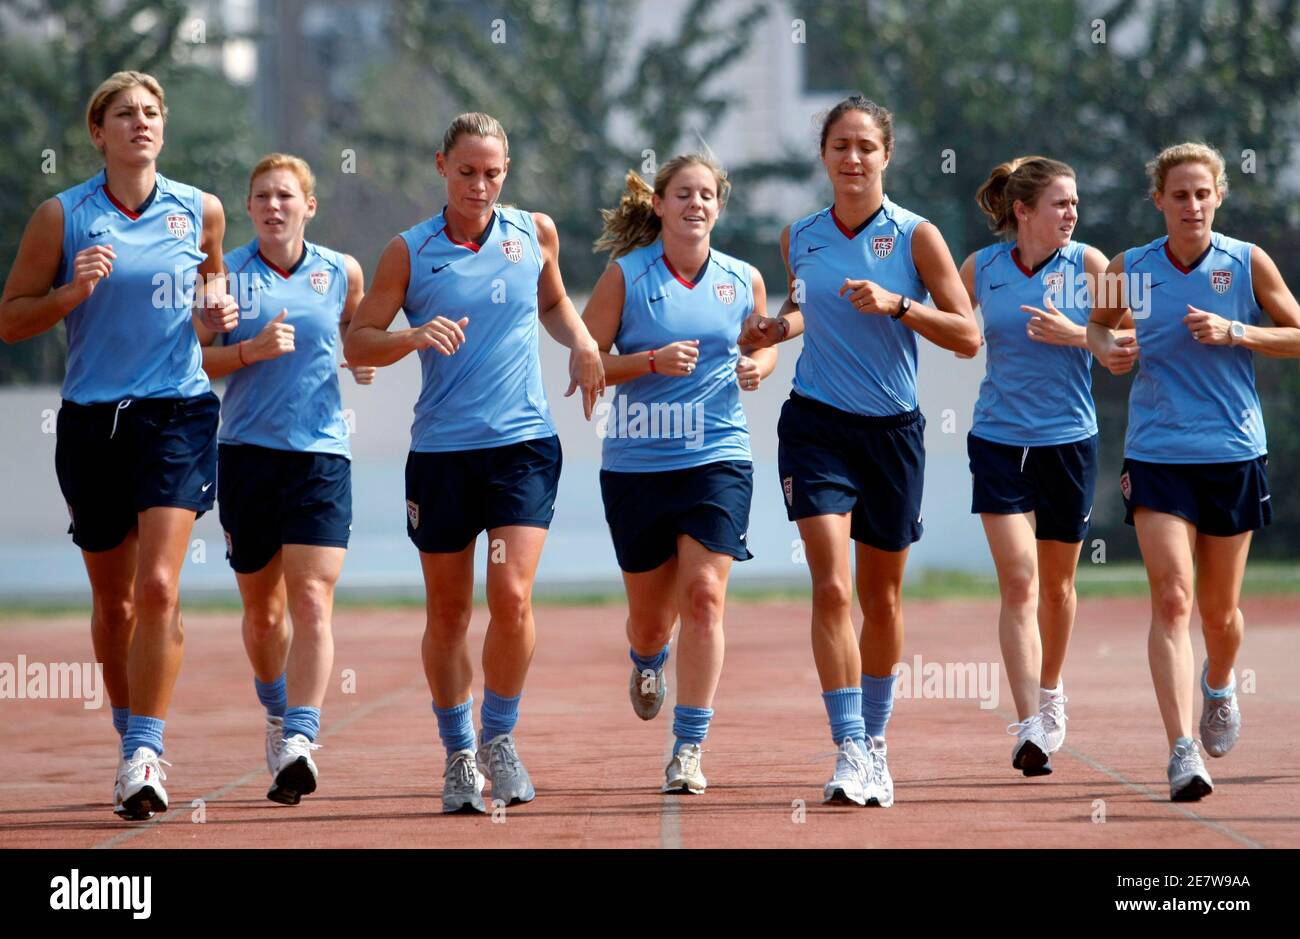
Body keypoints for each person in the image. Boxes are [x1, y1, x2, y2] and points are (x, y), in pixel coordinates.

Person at [343, 112, 604, 813]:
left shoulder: (533, 234)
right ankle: (458, 753)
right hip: (442, 454)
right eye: (466, 172)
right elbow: (360, 342)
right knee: (450, 609)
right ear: (441, 166)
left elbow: (553, 303)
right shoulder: (409, 251)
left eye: (492, 173)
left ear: (506, 171)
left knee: (512, 597)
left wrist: (580, 342)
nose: (480, 185)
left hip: (522, 444)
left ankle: (500, 736)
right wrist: (413, 335)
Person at [0, 71, 239, 820]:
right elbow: (11, 319)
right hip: (92, 422)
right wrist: (70, 293)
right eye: (124, 114)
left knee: (161, 587)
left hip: (177, 412)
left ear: (163, 127)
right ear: (97, 132)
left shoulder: (199, 210)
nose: (140, 123)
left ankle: (145, 749)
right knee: (114, 601)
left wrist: (218, 313)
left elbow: (210, 307)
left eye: (151, 112)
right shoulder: (60, 215)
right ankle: (127, 732)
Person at [740, 96, 980, 807]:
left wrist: (899, 305)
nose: (852, 158)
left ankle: (876, 741)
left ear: (885, 156)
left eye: (865, 147)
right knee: (832, 584)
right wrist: (771, 329)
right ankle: (847, 744)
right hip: (815, 427)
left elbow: (967, 337)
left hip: (894, 434)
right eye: (840, 145)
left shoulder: (917, 237)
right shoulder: (800, 235)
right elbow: (807, 306)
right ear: (824, 156)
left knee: (881, 596)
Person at [1088, 142, 1300, 802]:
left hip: (1233, 451)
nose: (1191, 204)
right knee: (1174, 598)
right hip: (1158, 453)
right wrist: (1111, 350)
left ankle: (1218, 683)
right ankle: (1182, 748)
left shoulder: (1245, 262)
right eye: (1178, 194)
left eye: (1202, 192)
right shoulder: (1128, 266)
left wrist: (1238, 332)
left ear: (1217, 197)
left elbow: (1296, 333)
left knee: (1219, 610)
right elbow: (1097, 329)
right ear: (1159, 200)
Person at [582, 156, 775, 794]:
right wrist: (650, 362)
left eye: (707, 195)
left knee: (704, 597)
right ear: (659, 205)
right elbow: (590, 367)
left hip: (718, 457)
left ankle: (688, 747)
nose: (696, 203)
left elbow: (762, 342)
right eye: (683, 194)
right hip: (638, 463)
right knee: (650, 620)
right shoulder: (625, 277)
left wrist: (759, 368)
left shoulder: (742, 278)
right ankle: (645, 660)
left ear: (719, 207)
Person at [197, 154, 372, 805]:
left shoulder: (340, 271)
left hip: (321, 458)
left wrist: (361, 360)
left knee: (311, 601)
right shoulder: (225, 277)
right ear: (249, 208)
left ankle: (300, 737)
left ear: (309, 205)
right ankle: (276, 714)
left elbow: (356, 331)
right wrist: (246, 349)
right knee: (264, 616)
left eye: (286, 196)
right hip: (246, 455)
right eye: (263, 196)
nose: (274, 206)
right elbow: (192, 362)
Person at [958, 156, 1122, 776]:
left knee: (1056, 586)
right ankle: (1028, 722)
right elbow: (947, 320)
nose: (1072, 213)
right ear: (1022, 212)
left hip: (1069, 442)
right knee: (1021, 580)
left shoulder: (1095, 265)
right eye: (1060, 203)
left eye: (1075, 203)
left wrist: (1077, 333)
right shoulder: (982, 267)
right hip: (997, 440)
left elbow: (1121, 347)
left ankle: (1052, 691)